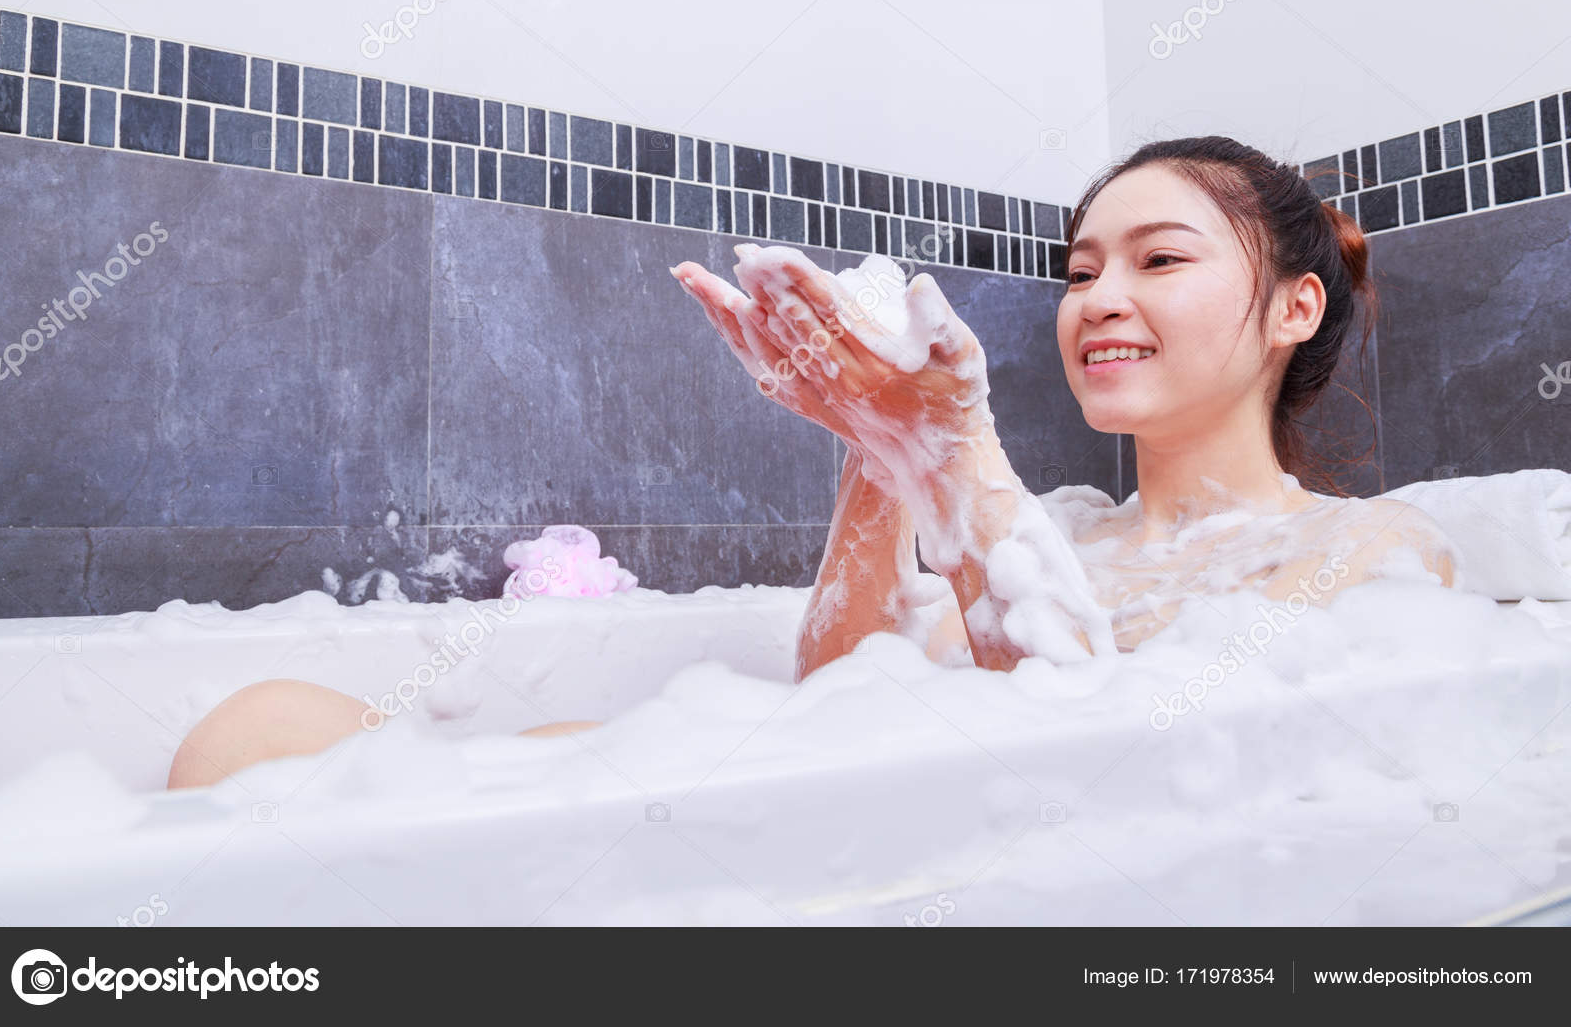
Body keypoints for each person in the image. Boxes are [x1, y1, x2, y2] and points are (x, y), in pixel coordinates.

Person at [166, 136, 1455, 790]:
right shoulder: (1059, 528)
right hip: (777, 801)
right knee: (253, 728)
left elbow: (1109, 770)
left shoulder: (1366, 556)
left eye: (1159, 261)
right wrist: (876, 456)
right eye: (1078, 270)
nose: (1098, 298)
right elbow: (838, 697)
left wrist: (956, 462)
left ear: (1293, 307)